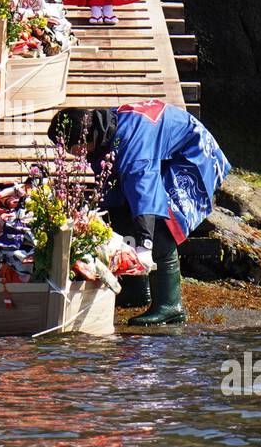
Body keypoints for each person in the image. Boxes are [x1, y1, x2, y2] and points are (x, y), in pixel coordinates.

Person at [48, 102, 230, 324]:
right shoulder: (104, 131)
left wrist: (145, 245)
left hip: (193, 155)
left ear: (84, 138)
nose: (73, 155)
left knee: (163, 222)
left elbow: (145, 192)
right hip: (160, 156)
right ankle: (136, 291)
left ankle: (170, 305)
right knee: (121, 217)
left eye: (72, 148)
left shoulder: (134, 145)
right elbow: (114, 187)